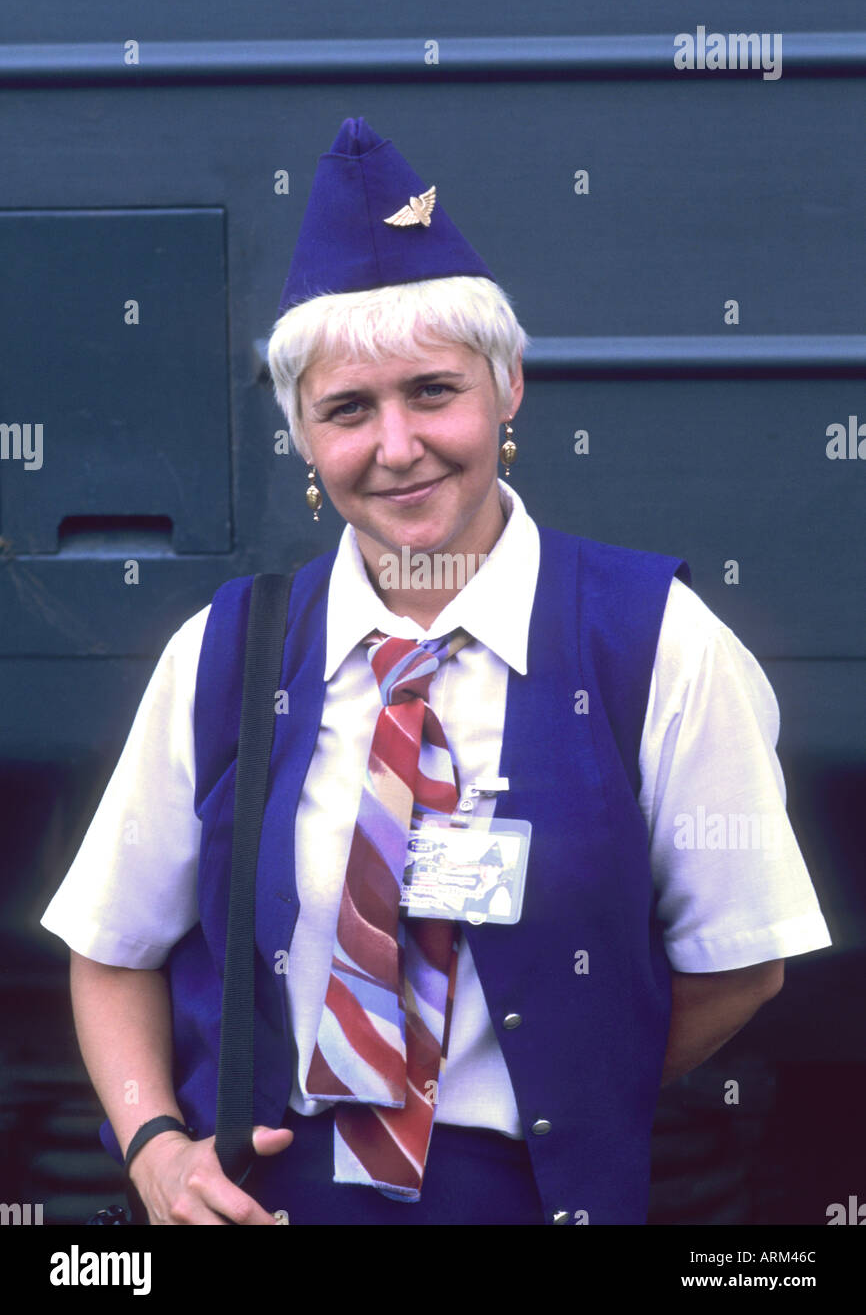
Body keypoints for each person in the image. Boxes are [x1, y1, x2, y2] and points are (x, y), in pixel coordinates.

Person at [41, 116, 832, 1226]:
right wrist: (155, 1148)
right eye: (347, 411)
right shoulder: (226, 651)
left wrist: (569, 1089)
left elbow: (740, 962)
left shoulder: (656, 640)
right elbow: (109, 946)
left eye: (431, 391)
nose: (396, 445)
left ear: (506, 390)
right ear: (304, 444)